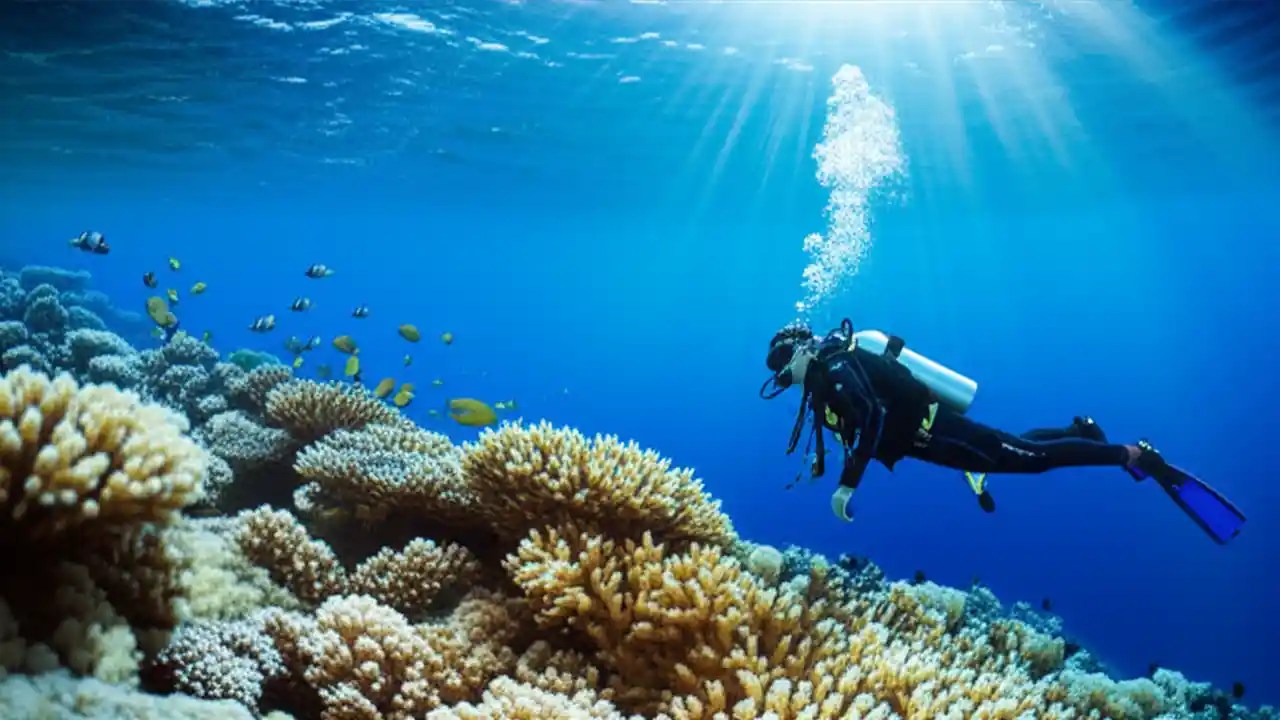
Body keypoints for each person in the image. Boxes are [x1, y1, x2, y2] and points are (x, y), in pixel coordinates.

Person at [759, 319, 1228, 529]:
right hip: (932, 443)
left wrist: (847, 486)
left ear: (799, 353)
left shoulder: (837, 365)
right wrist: (826, 467)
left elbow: (872, 416)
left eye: (782, 367)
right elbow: (857, 427)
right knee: (1016, 446)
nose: (782, 378)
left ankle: (1134, 454)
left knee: (1035, 460)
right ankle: (1080, 430)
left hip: (938, 432)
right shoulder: (824, 385)